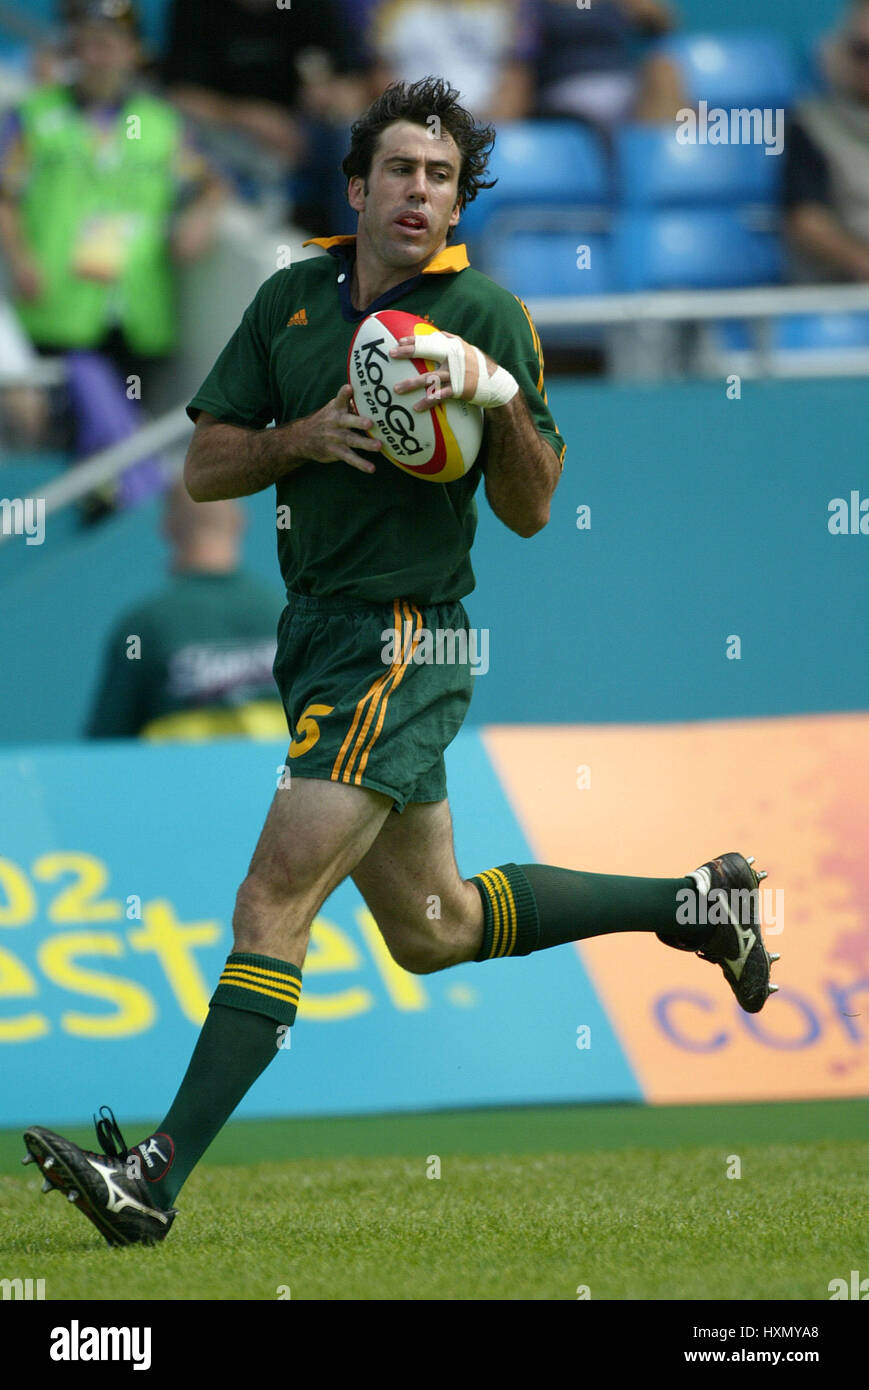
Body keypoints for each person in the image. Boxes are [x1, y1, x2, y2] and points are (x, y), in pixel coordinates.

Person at [22, 77, 778, 1247]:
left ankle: (152, 1180)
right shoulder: (287, 302)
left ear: (458, 199)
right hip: (311, 633)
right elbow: (206, 465)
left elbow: (531, 507)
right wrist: (302, 437)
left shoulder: (484, 313)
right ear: (356, 187)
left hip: (404, 633)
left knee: (270, 899)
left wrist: (497, 397)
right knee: (433, 927)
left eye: (440, 176)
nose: (419, 191)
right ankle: (698, 903)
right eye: (399, 171)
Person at [0, 0, 225, 511]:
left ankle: (124, 503)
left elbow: (209, 183)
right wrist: (20, 258)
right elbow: (5, 194)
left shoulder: (159, 123)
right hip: (60, 304)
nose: (98, 56)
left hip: (135, 307)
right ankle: (131, 500)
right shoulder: (36, 116)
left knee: (117, 422)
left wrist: (199, 220)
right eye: (88, 44)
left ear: (134, 53)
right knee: (75, 430)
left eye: (109, 45)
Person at [86, 481, 286, 741]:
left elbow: (106, 744)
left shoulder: (141, 627)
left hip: (173, 770)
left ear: (167, 528)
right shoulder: (285, 614)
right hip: (277, 770)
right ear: (240, 521)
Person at [783, 0, 869, 282]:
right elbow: (807, 221)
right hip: (847, 288)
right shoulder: (811, 126)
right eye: (862, 52)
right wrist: (860, 260)